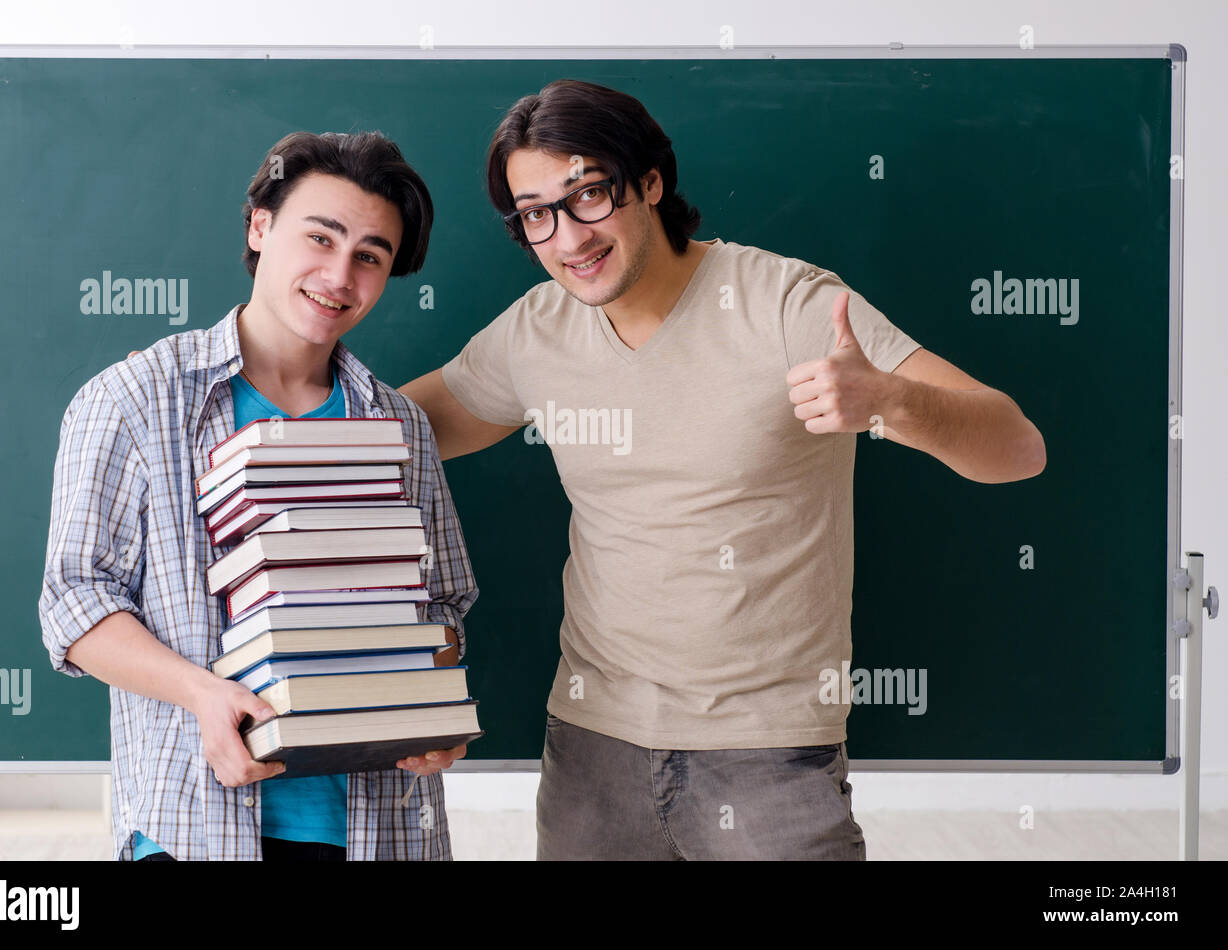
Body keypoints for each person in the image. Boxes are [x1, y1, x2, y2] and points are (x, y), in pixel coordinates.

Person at [399, 80, 1047, 860]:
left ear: (649, 182)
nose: (569, 238)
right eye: (536, 213)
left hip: (770, 759)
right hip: (590, 752)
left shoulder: (789, 304)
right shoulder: (535, 332)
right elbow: (393, 434)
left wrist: (892, 400)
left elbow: (1017, 448)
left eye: (589, 194)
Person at [38, 131, 477, 861]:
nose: (339, 275)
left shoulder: (399, 425)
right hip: (198, 826)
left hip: (382, 829)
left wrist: (432, 704)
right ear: (260, 225)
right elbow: (75, 602)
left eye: (370, 255)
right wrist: (201, 692)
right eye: (320, 237)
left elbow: (443, 606)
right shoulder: (135, 399)